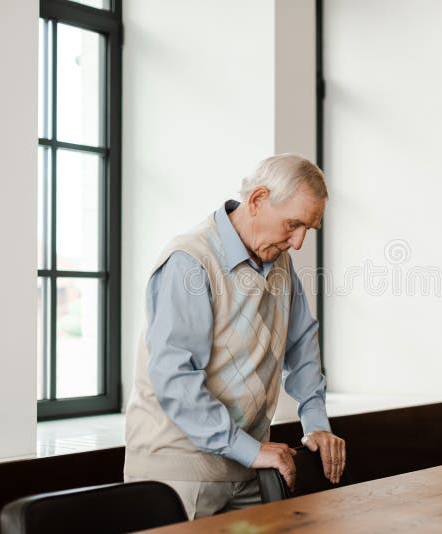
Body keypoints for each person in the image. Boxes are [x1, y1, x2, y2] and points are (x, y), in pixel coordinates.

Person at [123, 154, 346, 519]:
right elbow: (176, 380)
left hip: (248, 465)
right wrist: (249, 449)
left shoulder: (279, 261)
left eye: (308, 228)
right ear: (257, 200)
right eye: (293, 224)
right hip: (180, 475)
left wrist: (316, 424)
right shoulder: (190, 261)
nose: (299, 242)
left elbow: (302, 345)